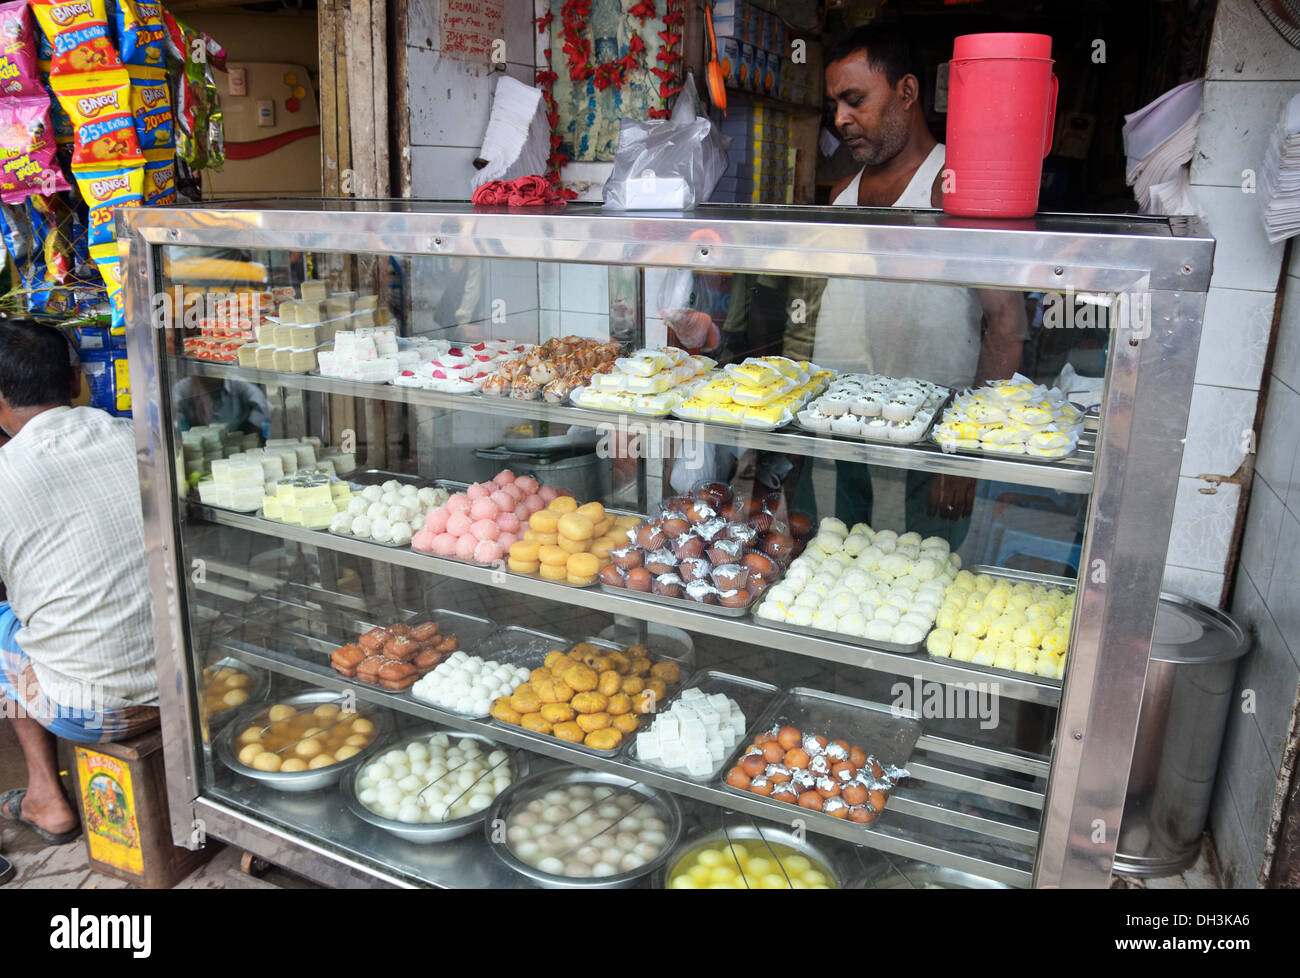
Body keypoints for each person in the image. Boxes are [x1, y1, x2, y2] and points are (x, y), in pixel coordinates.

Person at [807, 25, 1028, 542]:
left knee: (929, 565)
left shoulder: (960, 190)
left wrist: (968, 451)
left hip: (940, 425)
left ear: (906, 92)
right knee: (838, 551)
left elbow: (1007, 322)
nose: (840, 119)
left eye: (854, 99)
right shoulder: (842, 195)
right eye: (835, 103)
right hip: (843, 412)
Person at [0, 320, 159, 863]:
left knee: (3, 625)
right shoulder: (138, 440)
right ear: (76, 380)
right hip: (193, 686)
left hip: (88, 713)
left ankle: (46, 797)